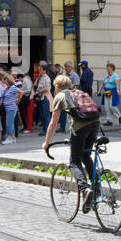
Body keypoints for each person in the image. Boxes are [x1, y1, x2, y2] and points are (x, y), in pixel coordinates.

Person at [43, 74, 101, 212]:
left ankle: (85, 189)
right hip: (95, 124)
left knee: (75, 161)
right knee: (86, 156)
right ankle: (97, 188)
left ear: (56, 87)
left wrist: (46, 143)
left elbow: (52, 123)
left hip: (79, 128)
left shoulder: (59, 96)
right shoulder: (80, 92)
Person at [34, 61, 53, 134]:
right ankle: (45, 129)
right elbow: (35, 85)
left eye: (40, 69)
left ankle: (47, 131)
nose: (39, 71)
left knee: (46, 115)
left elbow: (47, 88)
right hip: (41, 98)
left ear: (44, 70)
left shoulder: (46, 78)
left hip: (45, 97)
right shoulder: (40, 77)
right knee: (42, 115)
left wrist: (39, 92)